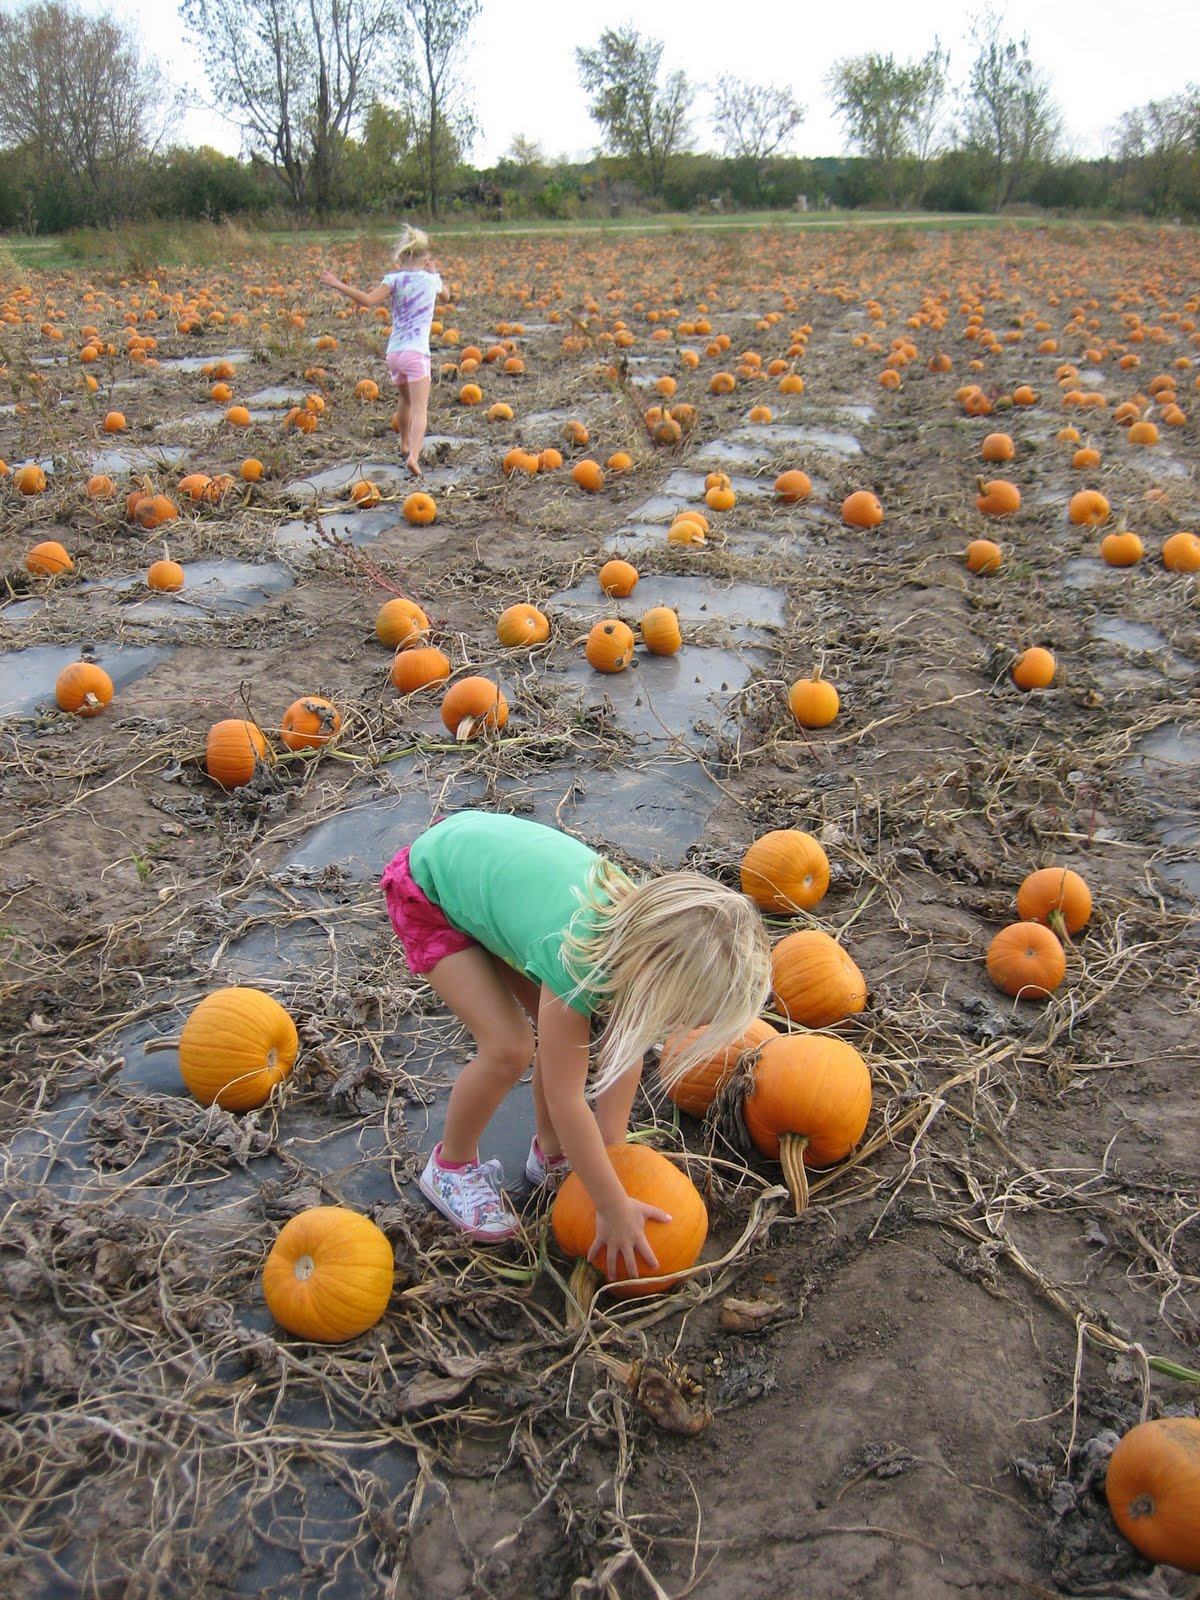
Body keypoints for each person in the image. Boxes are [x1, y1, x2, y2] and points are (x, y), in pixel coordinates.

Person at [382, 811, 772, 1278]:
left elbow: (623, 1051)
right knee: (510, 1047)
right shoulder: (579, 960)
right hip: (432, 890)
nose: (682, 1026)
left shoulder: (648, 938)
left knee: (562, 1041)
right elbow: (566, 1099)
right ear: (658, 982)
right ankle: (450, 1166)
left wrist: (612, 1152)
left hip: (491, 883)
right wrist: (610, 1205)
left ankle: (550, 1152)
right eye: (687, 1015)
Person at [318, 225, 442, 478]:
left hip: (395, 354)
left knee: (405, 400)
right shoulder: (432, 280)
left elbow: (368, 300)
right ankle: (414, 456)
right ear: (426, 259)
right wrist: (435, 272)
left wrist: (337, 283)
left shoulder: (394, 279)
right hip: (418, 353)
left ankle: (404, 443)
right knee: (420, 407)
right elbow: (448, 296)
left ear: (401, 258)